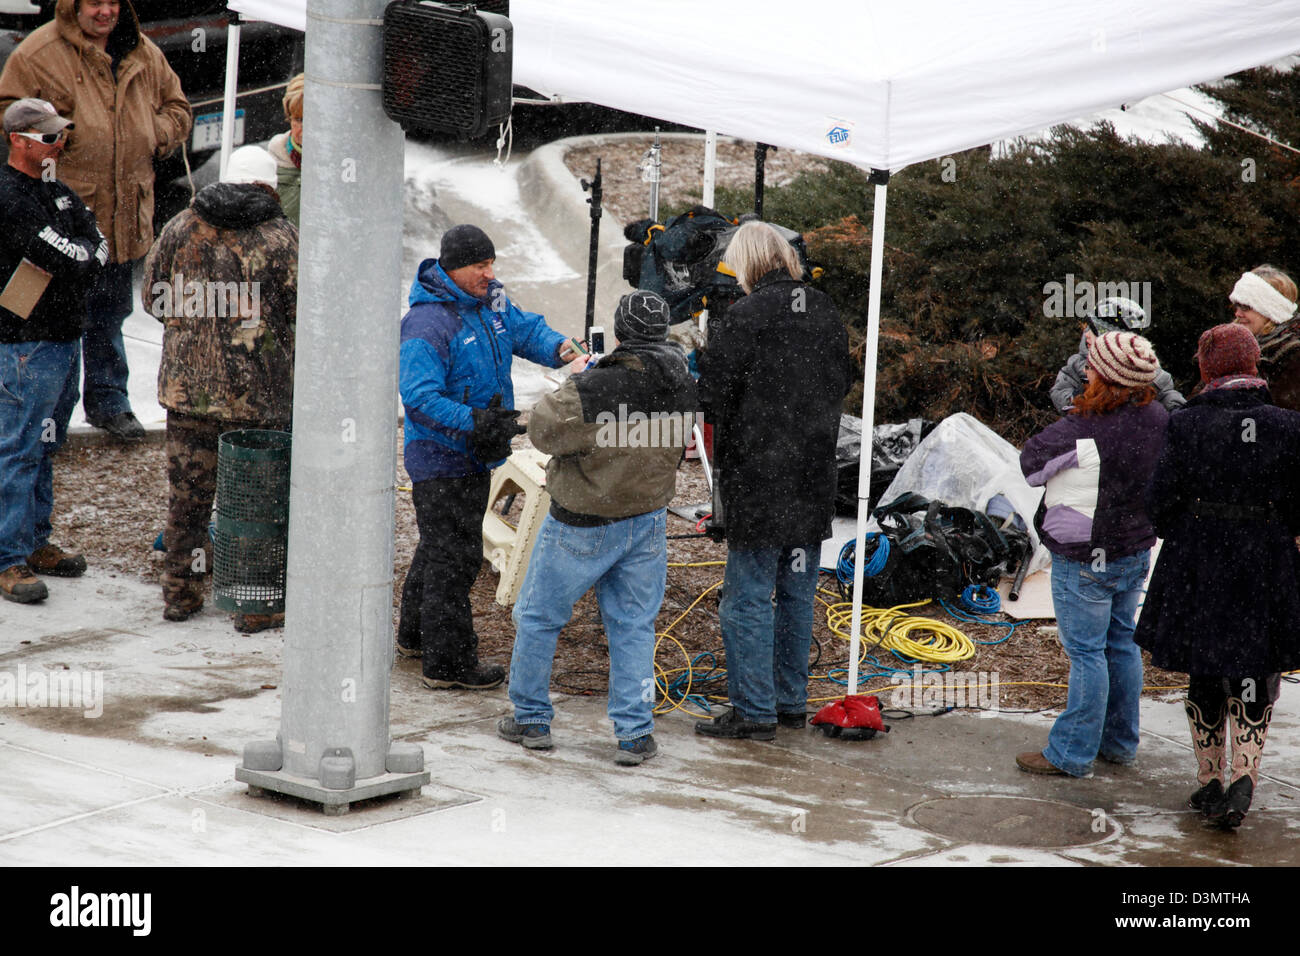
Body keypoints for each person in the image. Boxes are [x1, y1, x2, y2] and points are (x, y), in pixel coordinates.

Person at [500, 291, 697, 765]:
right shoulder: (684, 382)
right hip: (646, 519)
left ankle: (530, 718)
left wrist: (580, 381)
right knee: (632, 626)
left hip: (582, 522)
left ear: (620, 333)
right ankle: (634, 733)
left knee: (539, 617)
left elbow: (544, 432)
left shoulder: (595, 387)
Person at [398, 224, 582, 689]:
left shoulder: (490, 300)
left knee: (438, 546)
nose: (490, 272)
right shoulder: (427, 323)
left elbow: (523, 329)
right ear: (453, 268)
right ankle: (449, 665)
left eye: (491, 263)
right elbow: (419, 398)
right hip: (442, 457)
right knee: (455, 558)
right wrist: (474, 421)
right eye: (480, 266)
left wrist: (560, 349)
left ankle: (415, 636)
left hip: (476, 453)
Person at [0, 0, 192, 441]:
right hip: (58, 217)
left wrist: (151, 132)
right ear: (73, 4)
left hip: (122, 217)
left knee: (110, 314)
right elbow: (8, 111)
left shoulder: (141, 49)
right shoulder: (37, 52)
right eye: (94, 3)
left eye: (113, 3)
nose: (105, 12)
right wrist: (58, 138)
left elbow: (178, 107)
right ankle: (47, 420)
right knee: (47, 321)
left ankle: (109, 402)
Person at [1135, 323, 1300, 829]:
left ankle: (1209, 782)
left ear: (1207, 368)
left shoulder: (1185, 424)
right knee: (1253, 667)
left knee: (1206, 668)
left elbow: (1159, 501)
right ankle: (1243, 777)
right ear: (1253, 366)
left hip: (1198, 558)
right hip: (1265, 559)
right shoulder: (1289, 425)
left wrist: (1187, 528)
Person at [694, 220, 852, 741]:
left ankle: (754, 711)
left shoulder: (744, 315)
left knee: (747, 598)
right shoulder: (824, 309)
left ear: (749, 264)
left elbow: (714, 397)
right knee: (797, 594)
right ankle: (788, 702)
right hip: (812, 476)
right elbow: (840, 384)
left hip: (760, 481)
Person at [143, 145, 298, 632]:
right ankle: (252, 603)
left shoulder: (178, 227)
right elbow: (303, 313)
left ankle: (181, 594)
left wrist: (194, 327)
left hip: (188, 392)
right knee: (254, 503)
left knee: (187, 498)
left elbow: (152, 298)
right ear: (269, 185)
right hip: (259, 396)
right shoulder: (281, 238)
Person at [1017, 330, 1169, 777]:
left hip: (1084, 556)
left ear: (1105, 376)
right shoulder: (1159, 417)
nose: (1085, 369)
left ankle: (1071, 753)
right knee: (1121, 643)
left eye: (1092, 365)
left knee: (1086, 653)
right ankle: (1120, 744)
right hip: (1134, 550)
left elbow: (1031, 466)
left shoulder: (1080, 427)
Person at [0, 98, 108, 604]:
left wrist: (83, 255)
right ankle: (8, 558)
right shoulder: (10, 195)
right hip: (26, 346)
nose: (58, 144)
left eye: (61, 134)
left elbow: (98, 243)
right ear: (17, 141)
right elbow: (57, 252)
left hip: (65, 339)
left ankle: (35, 541)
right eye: (47, 137)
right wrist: (83, 255)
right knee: (18, 449)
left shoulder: (59, 191)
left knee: (46, 445)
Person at [1050, 296, 1184, 414]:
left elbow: (1167, 395)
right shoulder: (1078, 363)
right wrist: (1080, 398)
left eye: (1093, 330)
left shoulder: (1145, 370)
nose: (1086, 334)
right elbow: (1060, 392)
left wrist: (1175, 410)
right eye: (1087, 328)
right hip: (1088, 430)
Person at [1226, 265, 1300, 411]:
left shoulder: (1292, 356)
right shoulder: (1229, 345)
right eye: (1236, 305)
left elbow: (1286, 418)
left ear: (1270, 311)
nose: (1237, 313)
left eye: (1245, 306)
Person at [267, 73, 303, 228]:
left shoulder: (342, 162)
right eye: (298, 119)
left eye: (314, 119)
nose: (304, 128)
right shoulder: (275, 159)